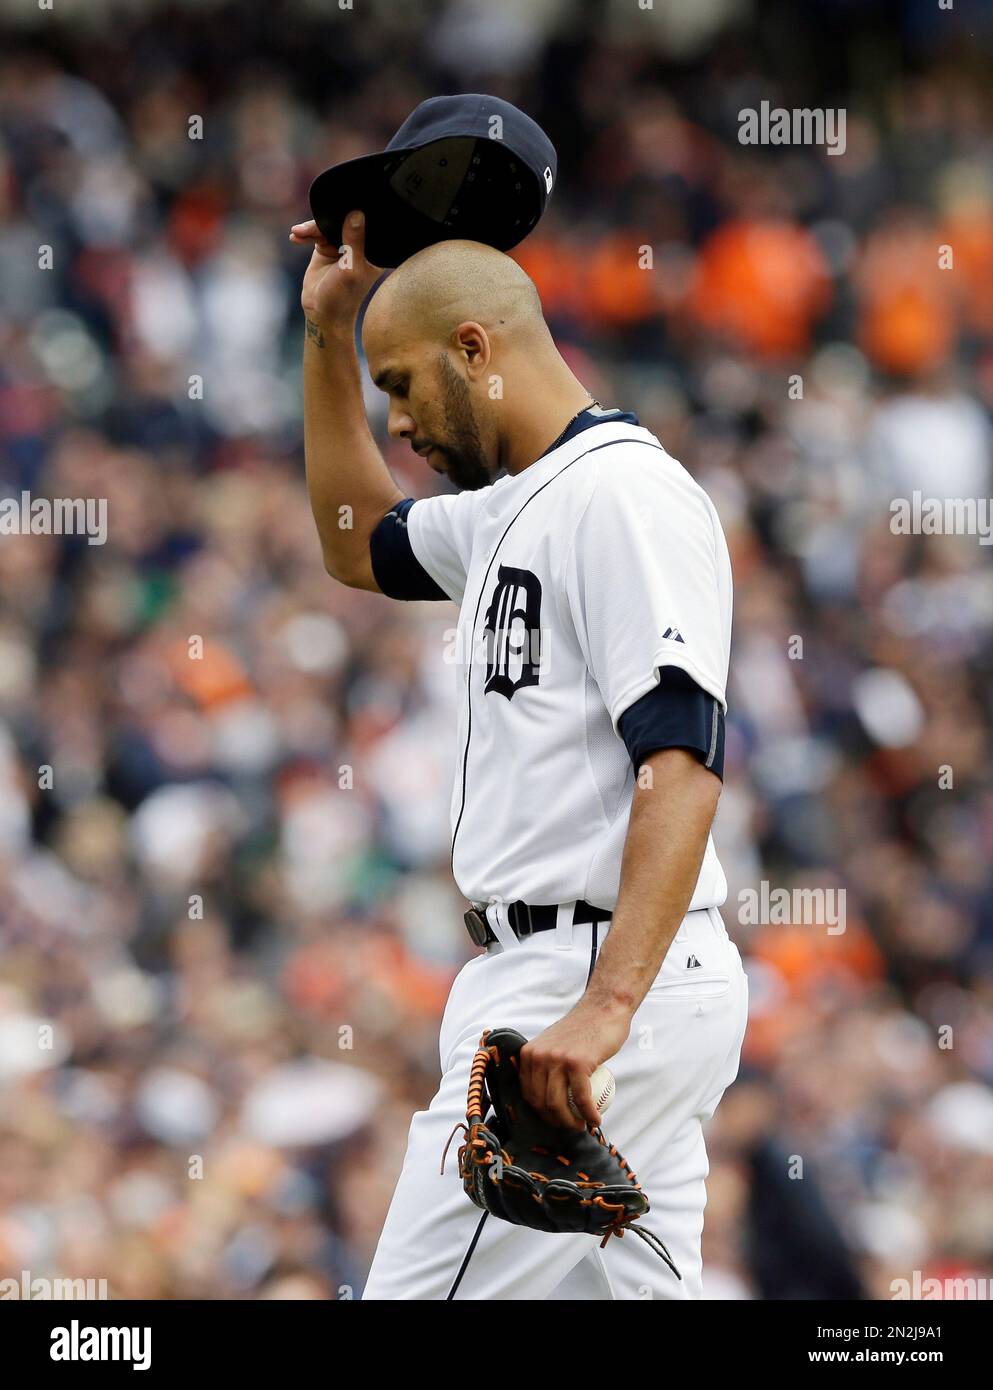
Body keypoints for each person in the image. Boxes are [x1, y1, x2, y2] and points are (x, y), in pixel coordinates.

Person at [289, 209, 748, 1300]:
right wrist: (328, 333)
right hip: (589, 972)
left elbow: (680, 759)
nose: (395, 419)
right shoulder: (510, 510)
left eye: (399, 382)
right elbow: (358, 539)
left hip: (582, 971)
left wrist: (606, 1002)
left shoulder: (620, 493)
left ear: (475, 349)